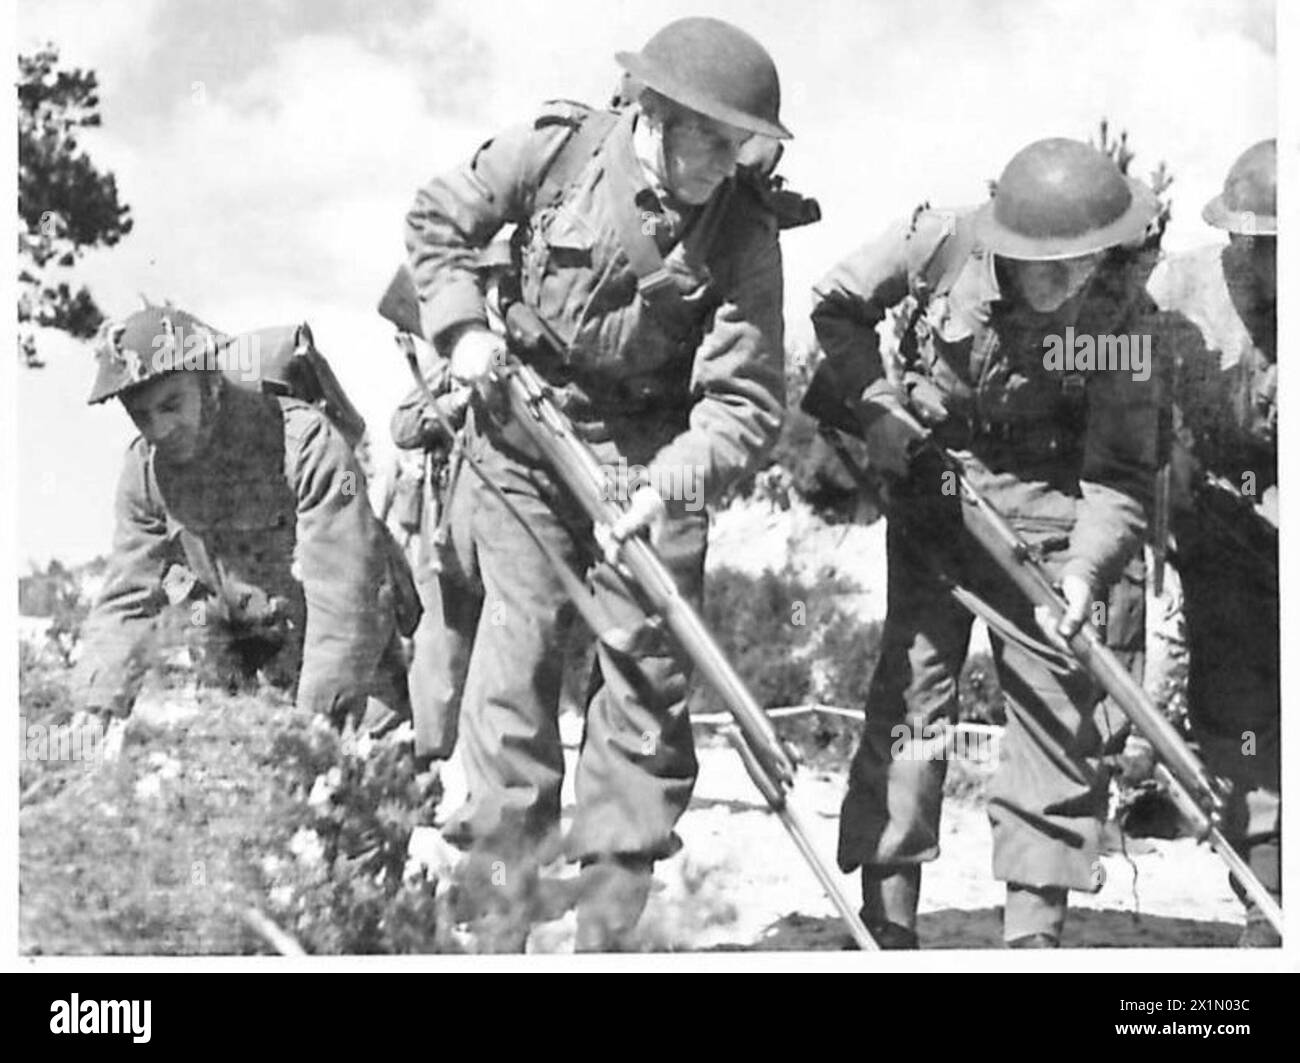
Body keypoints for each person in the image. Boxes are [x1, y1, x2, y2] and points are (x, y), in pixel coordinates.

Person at [403, 15, 790, 950]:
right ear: (655, 113)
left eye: (740, 147)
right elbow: (438, 218)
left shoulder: (746, 232)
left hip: (650, 460)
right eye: (711, 141)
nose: (726, 166)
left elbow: (744, 401)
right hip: (520, 435)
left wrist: (668, 484)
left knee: (648, 687)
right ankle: (499, 924)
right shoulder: (559, 151)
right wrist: (463, 329)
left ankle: (607, 938)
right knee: (514, 667)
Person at [809, 138, 1163, 947]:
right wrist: (875, 408)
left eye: (1085, 263)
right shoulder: (941, 245)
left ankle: (1034, 932)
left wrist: (1087, 569)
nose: (1068, 284)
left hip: (1048, 510)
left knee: (1055, 710)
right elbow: (835, 303)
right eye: (1050, 267)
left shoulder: (1120, 316)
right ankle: (889, 918)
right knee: (912, 697)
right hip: (933, 489)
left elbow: (1119, 473)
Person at [72, 306, 411, 733]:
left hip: (347, 657)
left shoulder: (306, 444)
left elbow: (346, 586)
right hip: (241, 649)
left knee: (373, 761)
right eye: (141, 416)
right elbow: (129, 593)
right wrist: (97, 704)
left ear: (211, 383)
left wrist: (317, 719)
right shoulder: (145, 473)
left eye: (172, 405)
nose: (159, 429)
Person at [1147, 139, 1279, 946]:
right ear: (1238, 237)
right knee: (1241, 710)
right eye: (1271, 248)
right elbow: (1118, 391)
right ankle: (1268, 893)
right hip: (1216, 525)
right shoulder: (1178, 291)